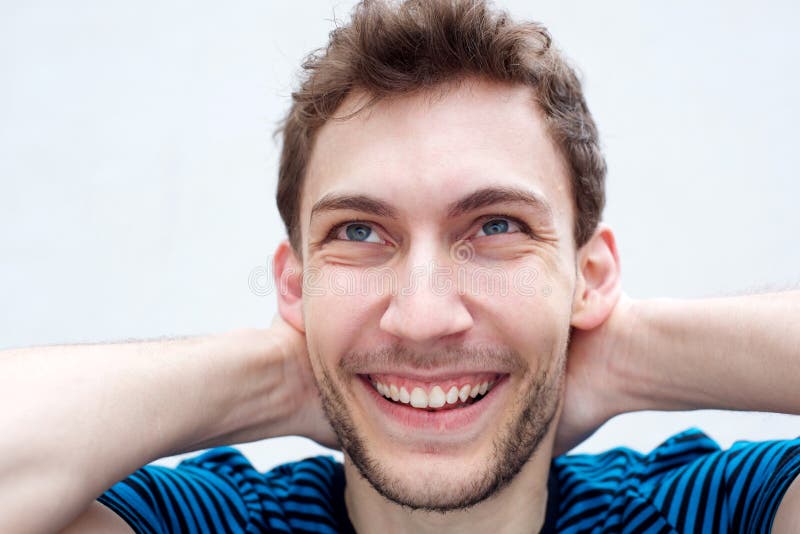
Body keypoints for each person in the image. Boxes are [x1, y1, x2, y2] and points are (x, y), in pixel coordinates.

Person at [2, 0, 799, 532]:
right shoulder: (207, 521)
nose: (422, 317)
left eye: (494, 226)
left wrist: (629, 352)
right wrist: (282, 374)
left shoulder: (709, 512)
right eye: (358, 233)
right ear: (295, 283)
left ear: (588, 277)